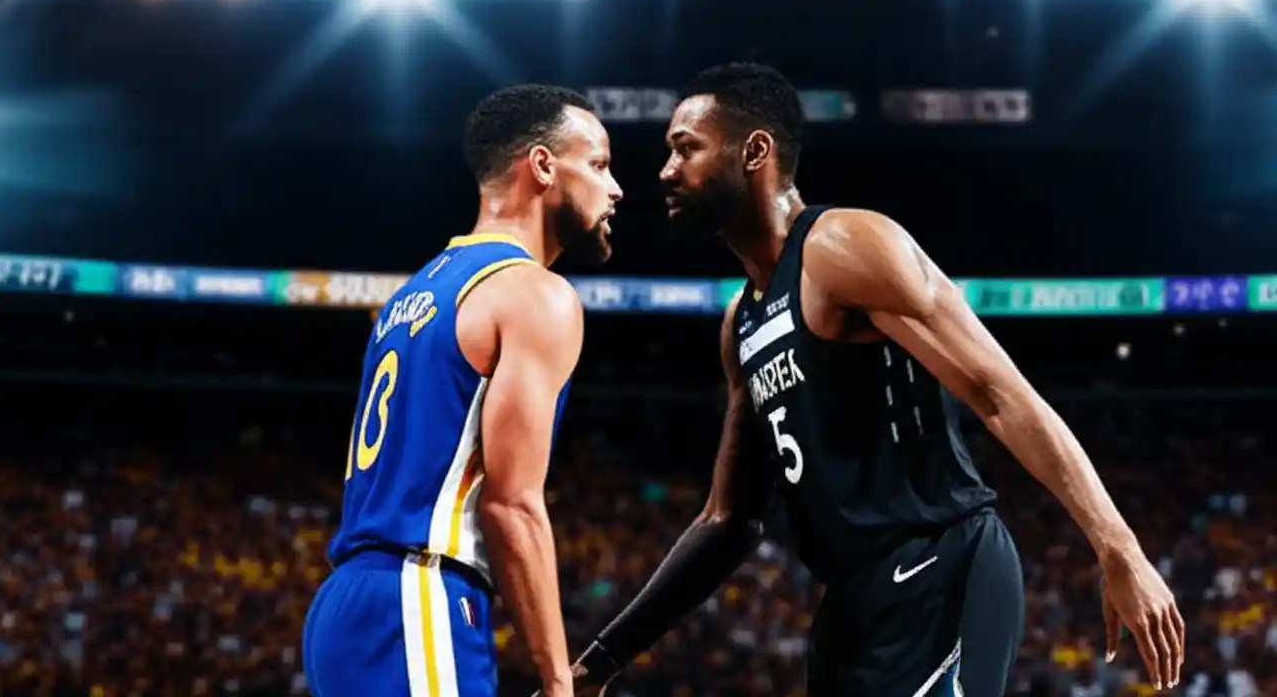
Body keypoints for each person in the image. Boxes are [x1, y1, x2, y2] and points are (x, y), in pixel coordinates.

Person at [568, 63, 1183, 695]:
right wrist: (603, 659)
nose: (667, 170)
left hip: (940, 565)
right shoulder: (742, 322)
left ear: (755, 151)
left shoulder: (844, 246)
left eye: (686, 148)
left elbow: (1001, 395)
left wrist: (1118, 548)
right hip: (851, 608)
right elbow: (728, 522)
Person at [303, 84, 622, 697]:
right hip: (418, 593)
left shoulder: (412, 295)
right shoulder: (533, 293)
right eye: (600, 164)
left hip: (346, 603)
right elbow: (512, 503)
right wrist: (559, 680)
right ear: (543, 165)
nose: (616, 189)